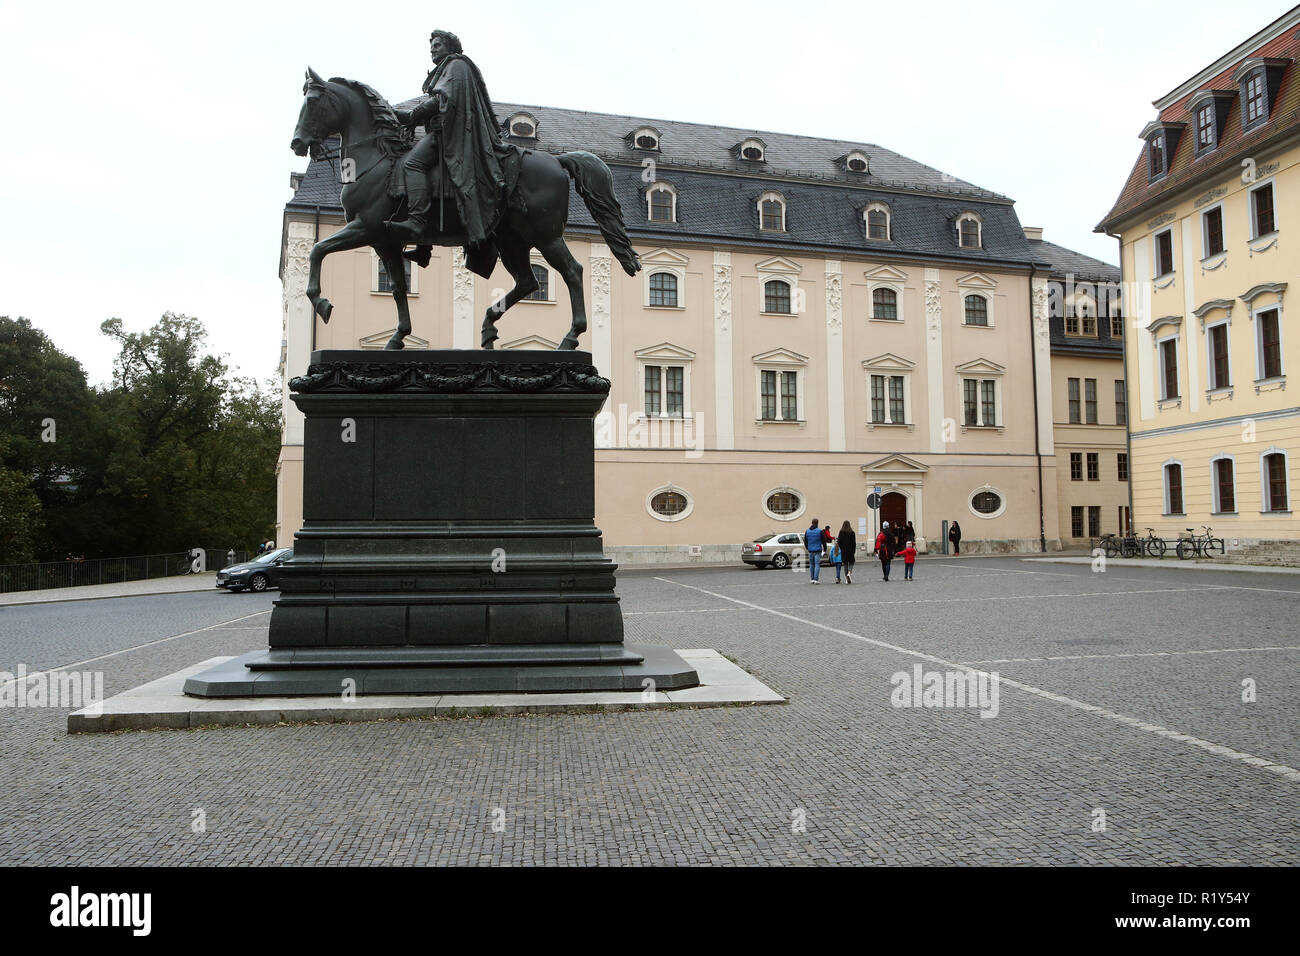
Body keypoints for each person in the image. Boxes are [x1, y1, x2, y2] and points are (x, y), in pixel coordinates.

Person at [388, 30, 519, 278]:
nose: (433, 49)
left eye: (437, 45)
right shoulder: (448, 69)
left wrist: (412, 115)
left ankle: (416, 222)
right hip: (442, 134)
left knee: (412, 165)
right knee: (432, 175)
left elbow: (442, 101)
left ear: (449, 47)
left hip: (450, 137)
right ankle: (423, 247)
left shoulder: (456, 66)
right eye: (432, 45)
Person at [803, 518, 824, 584]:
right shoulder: (819, 531)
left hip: (810, 550)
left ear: (812, 523)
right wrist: (825, 549)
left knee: (812, 564)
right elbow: (823, 541)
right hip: (817, 550)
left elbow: (805, 541)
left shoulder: (807, 531)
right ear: (817, 523)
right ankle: (816, 579)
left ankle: (812, 578)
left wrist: (807, 547)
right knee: (817, 564)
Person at [836, 520, 856, 584]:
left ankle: (847, 579)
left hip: (844, 550)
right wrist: (854, 550)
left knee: (845, 564)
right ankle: (849, 573)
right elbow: (854, 543)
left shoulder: (841, 532)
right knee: (851, 562)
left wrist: (842, 548)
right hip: (850, 550)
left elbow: (839, 542)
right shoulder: (852, 532)